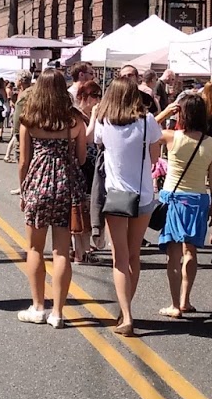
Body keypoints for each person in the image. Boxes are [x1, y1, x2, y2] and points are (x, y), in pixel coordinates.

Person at [92, 78, 164, 336]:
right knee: (134, 255)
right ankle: (126, 309)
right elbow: (155, 158)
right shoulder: (148, 122)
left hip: (117, 196)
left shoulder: (104, 122)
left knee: (119, 258)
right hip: (143, 194)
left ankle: (127, 315)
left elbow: (95, 142)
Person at [15, 69, 85, 329]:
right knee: (61, 250)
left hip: (38, 184)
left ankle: (38, 306)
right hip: (66, 185)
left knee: (34, 248)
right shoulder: (75, 119)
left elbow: (23, 160)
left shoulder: (30, 118)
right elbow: (81, 158)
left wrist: (24, 190)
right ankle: (58, 312)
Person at [154, 94, 212, 319]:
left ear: (182, 113)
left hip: (174, 198)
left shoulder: (172, 137)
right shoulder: (211, 143)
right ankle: (185, 300)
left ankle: (174, 305)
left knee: (172, 255)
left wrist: (165, 113)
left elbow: (148, 129)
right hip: (198, 198)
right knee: (190, 251)